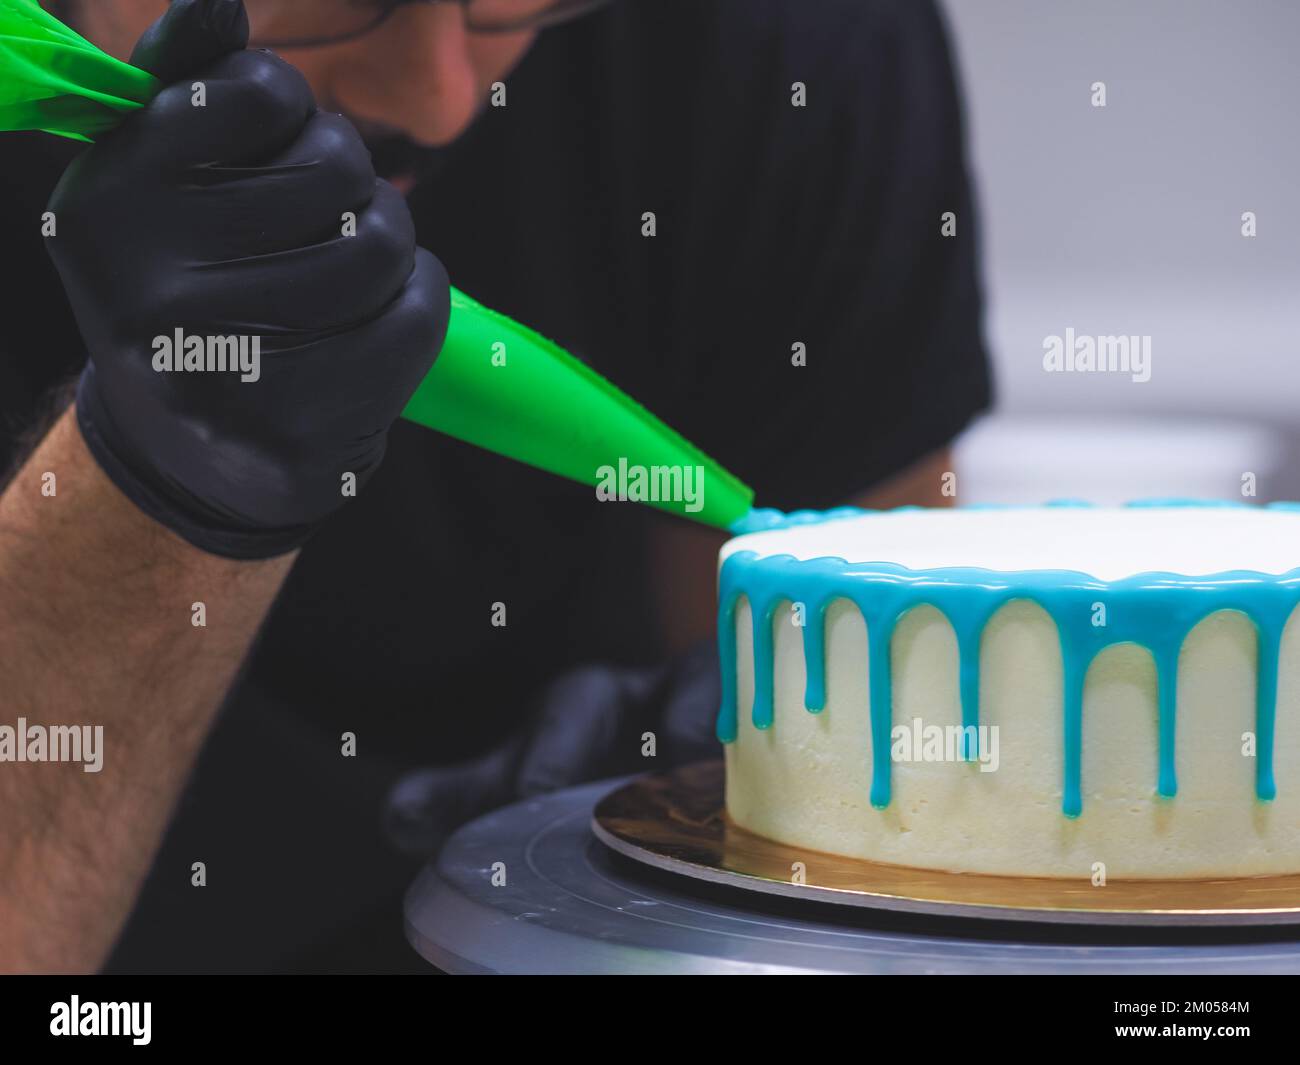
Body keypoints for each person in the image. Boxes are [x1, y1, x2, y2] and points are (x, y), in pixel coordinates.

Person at [0, 0, 990, 972]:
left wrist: (753, 785)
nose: (441, 98)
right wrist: (146, 488)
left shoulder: (791, 43)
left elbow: (899, 837)